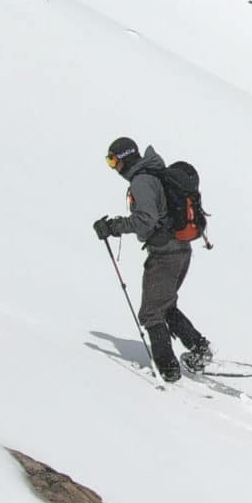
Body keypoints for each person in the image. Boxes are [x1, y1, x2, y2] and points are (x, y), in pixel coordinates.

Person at [95, 137, 211, 382]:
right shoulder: (153, 173)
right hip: (180, 250)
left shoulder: (142, 181)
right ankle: (199, 348)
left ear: (125, 158)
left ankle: (168, 370)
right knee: (165, 306)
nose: (113, 167)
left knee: (151, 314)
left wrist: (113, 227)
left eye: (113, 160)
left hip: (165, 255)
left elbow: (145, 219)